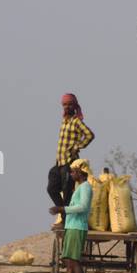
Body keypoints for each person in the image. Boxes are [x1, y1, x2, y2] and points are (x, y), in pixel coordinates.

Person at [47, 93, 94, 224]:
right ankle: (63, 212)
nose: (67, 107)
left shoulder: (76, 122)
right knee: (51, 188)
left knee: (67, 191)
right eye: (65, 105)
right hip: (59, 162)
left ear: (74, 106)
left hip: (69, 162)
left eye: (69, 104)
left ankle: (66, 218)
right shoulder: (64, 121)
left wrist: (78, 146)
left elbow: (89, 135)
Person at [51, 161, 92, 273]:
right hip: (72, 226)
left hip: (77, 227)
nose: (71, 174)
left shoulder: (85, 187)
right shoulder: (80, 187)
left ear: (80, 173)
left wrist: (62, 209)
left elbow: (83, 207)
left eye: (73, 172)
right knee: (70, 262)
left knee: (74, 262)